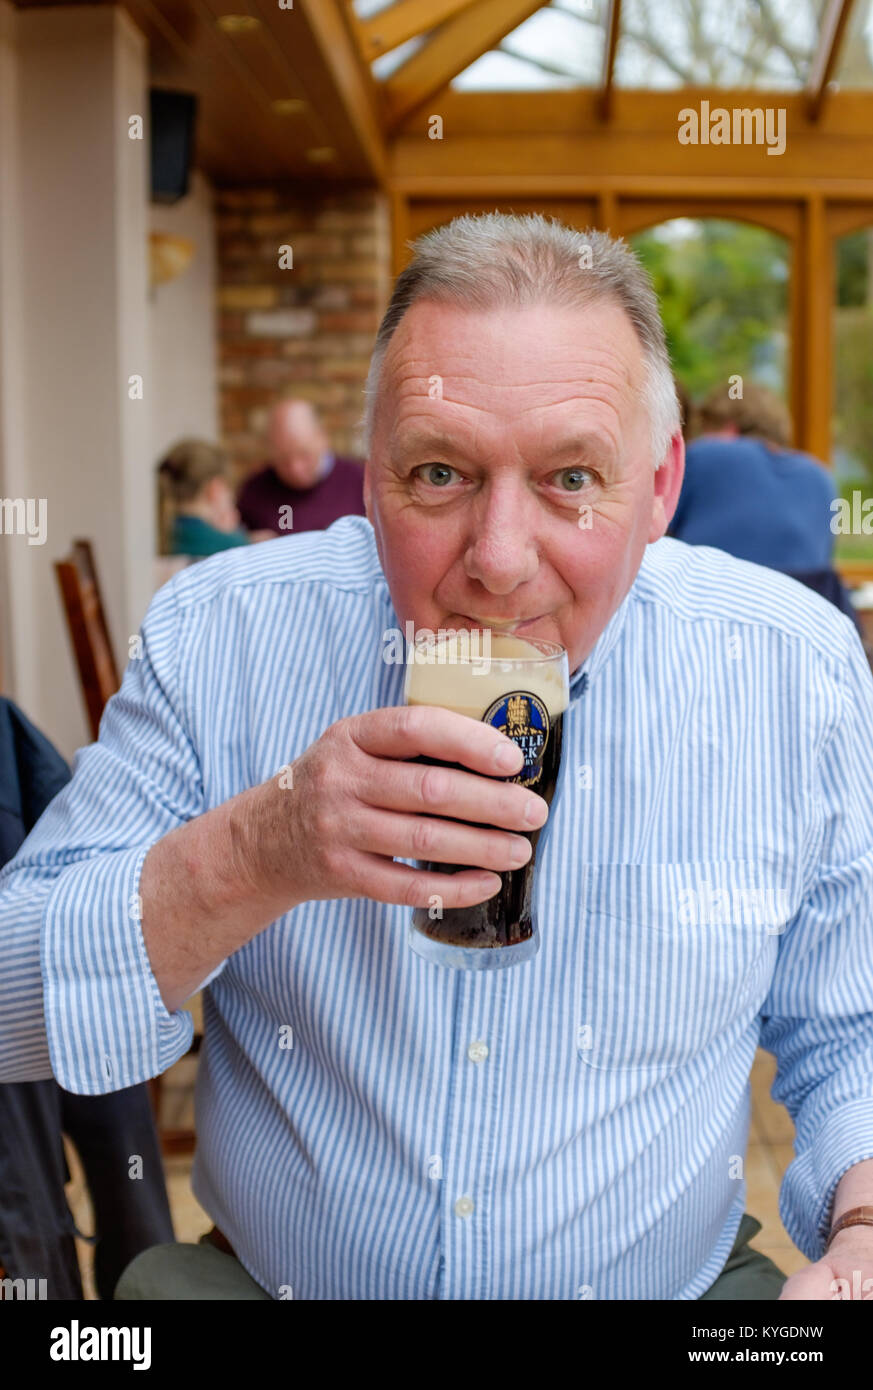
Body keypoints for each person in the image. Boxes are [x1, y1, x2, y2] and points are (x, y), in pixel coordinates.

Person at [1, 214, 872, 1302]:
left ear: (657, 490)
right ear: (369, 482)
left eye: (570, 478)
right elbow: (9, 1005)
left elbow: (853, 1021)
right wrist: (254, 850)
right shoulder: (219, 633)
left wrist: (865, 1221)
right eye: (440, 472)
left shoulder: (790, 668)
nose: (499, 563)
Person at [668, 383, 837, 570]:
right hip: (799, 597)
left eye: (706, 429)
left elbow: (653, 536)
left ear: (729, 429)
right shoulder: (820, 477)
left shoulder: (707, 455)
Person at [236, 398, 366, 536]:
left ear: (322, 437)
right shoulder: (254, 490)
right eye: (283, 459)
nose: (295, 469)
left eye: (304, 455)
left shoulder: (360, 480)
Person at [158, 439, 272, 558]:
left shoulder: (161, 536)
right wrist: (236, 534)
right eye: (229, 492)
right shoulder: (234, 546)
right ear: (215, 490)